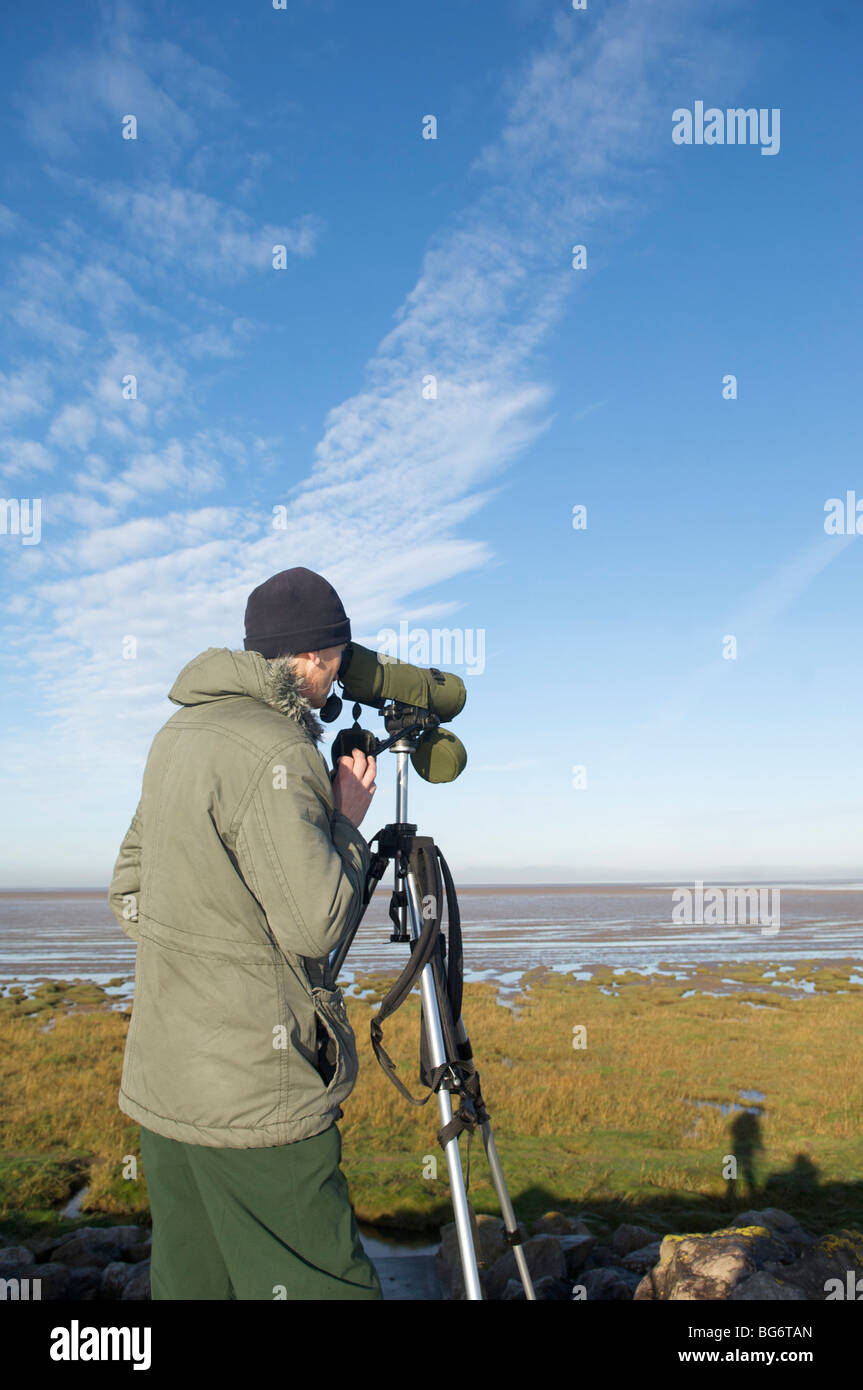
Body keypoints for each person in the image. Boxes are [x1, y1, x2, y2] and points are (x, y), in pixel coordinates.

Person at [108, 566, 383, 1300]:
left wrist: (201, 963)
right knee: (327, 1286)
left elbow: (128, 891)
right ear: (312, 659)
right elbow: (314, 921)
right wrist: (345, 822)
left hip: (168, 1085)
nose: (334, 682)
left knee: (193, 1286)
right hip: (256, 1099)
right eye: (335, 664)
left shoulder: (179, 733)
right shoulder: (278, 750)